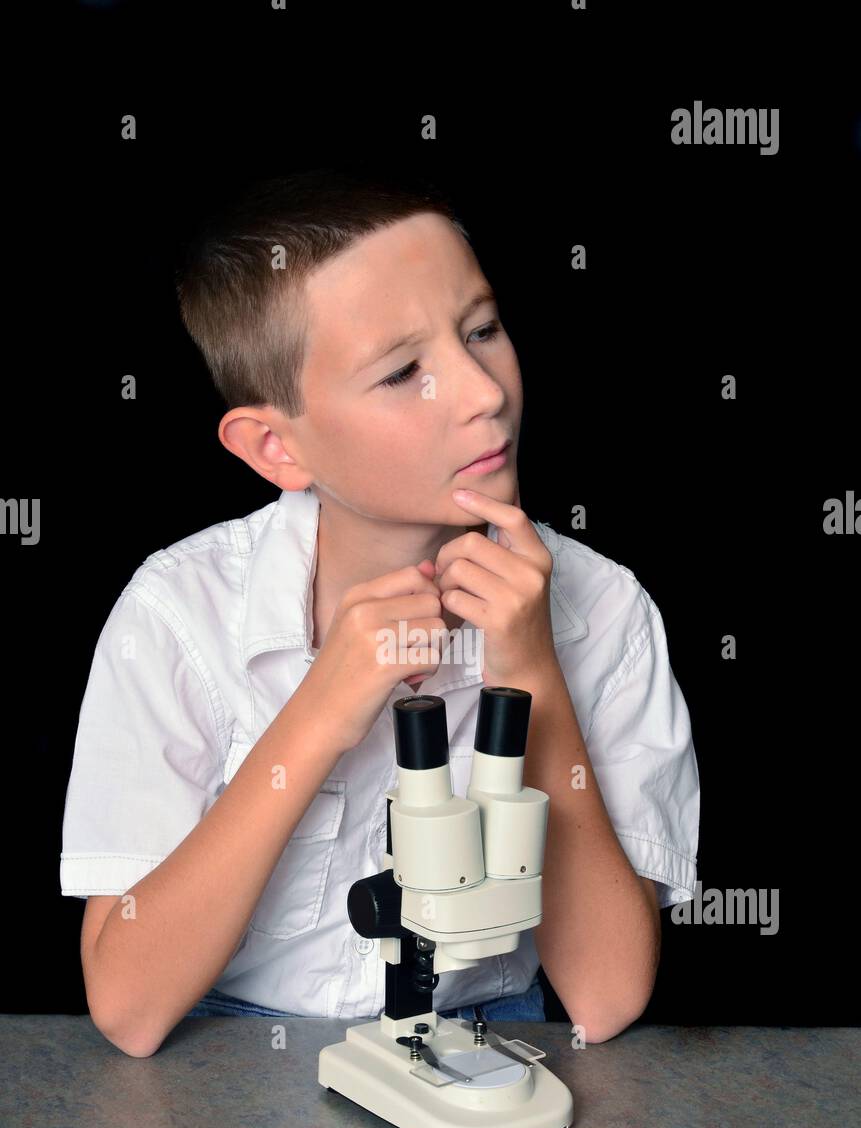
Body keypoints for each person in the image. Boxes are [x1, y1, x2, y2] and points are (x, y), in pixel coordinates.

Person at [60, 168, 699, 1056]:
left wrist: (531, 674)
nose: (482, 393)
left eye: (481, 329)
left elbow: (606, 996)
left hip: (485, 1040)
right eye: (403, 372)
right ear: (275, 446)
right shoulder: (178, 614)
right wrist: (324, 705)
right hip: (232, 1053)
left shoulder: (607, 610)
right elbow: (129, 1010)